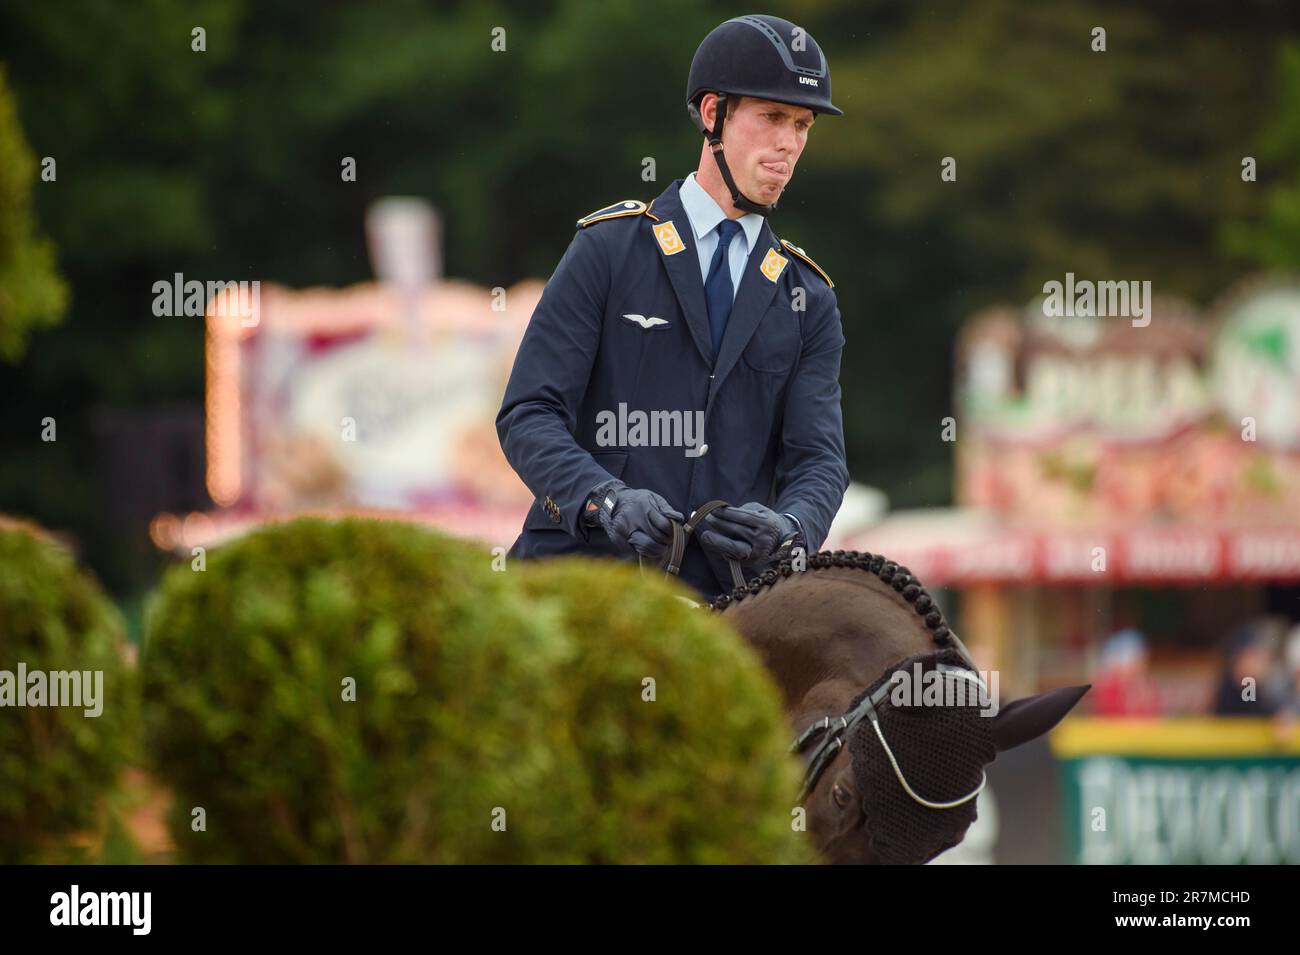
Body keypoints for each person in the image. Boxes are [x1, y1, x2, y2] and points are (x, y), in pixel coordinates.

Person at [496, 15, 850, 599]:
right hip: (579, 579)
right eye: (772, 118)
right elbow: (528, 414)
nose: (789, 144)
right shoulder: (607, 249)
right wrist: (602, 498)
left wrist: (791, 530)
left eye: (802, 124)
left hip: (723, 606)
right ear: (713, 114)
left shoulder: (808, 298)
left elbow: (819, 462)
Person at [1091, 628, 1160, 717]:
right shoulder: (1108, 686)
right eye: (1134, 660)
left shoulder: (1146, 684)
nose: (1141, 665)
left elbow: (1154, 715)